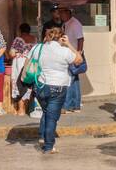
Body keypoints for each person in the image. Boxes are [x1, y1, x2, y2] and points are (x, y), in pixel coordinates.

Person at [28, 23, 82, 154]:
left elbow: (29, 60)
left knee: (46, 113)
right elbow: (79, 60)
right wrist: (68, 44)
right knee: (52, 117)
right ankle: (48, 146)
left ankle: (43, 137)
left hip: (40, 86)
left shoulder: (38, 48)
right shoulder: (64, 51)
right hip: (57, 87)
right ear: (61, 38)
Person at [57, 6, 86, 112]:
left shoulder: (75, 24)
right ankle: (76, 105)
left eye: (61, 13)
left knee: (69, 79)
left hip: (73, 55)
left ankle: (68, 105)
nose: (59, 15)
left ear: (67, 12)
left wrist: (79, 53)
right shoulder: (66, 24)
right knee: (74, 80)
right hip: (69, 54)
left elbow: (81, 39)